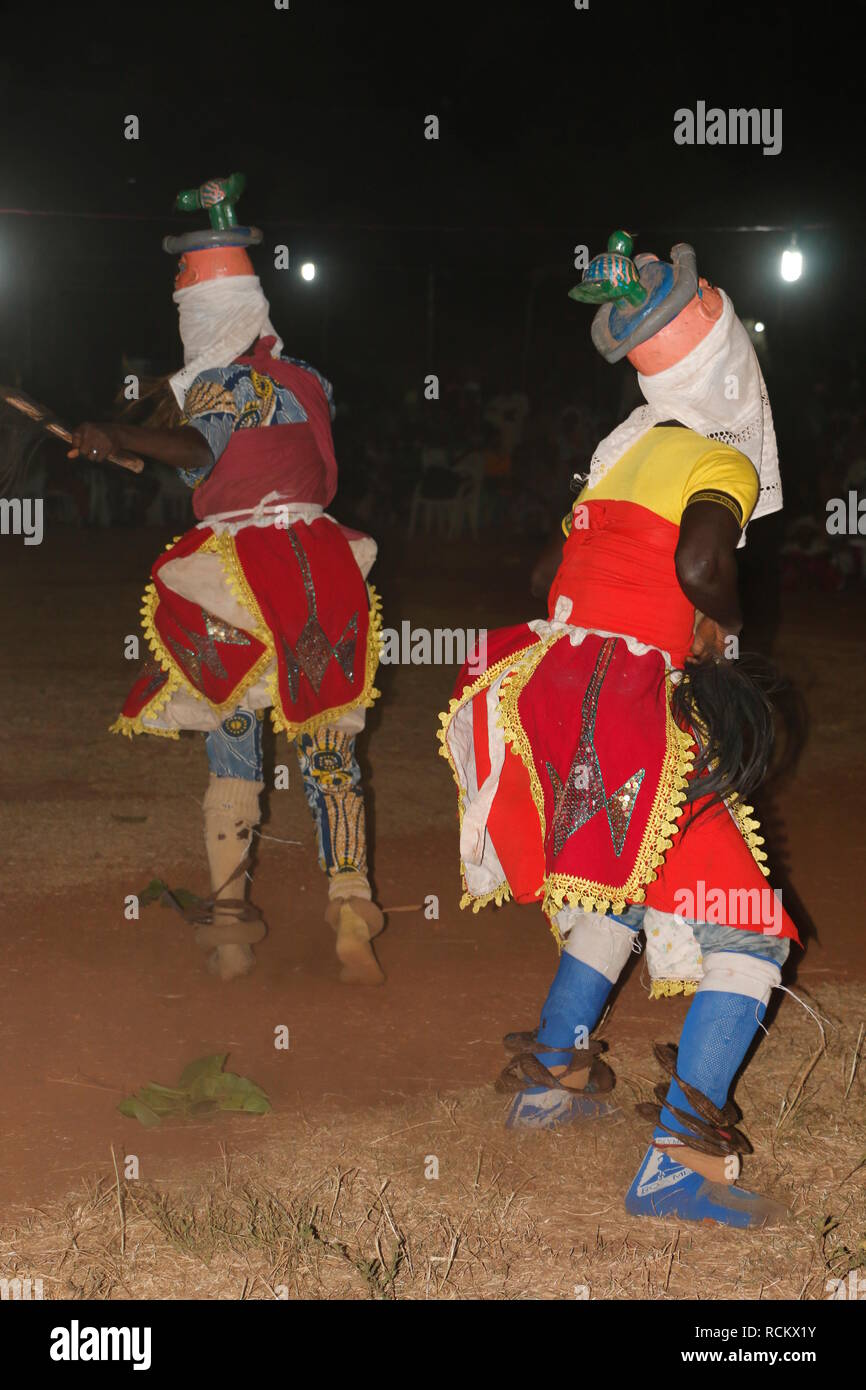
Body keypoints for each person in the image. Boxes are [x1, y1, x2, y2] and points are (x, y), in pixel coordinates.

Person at [439, 231, 799, 1227]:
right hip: (633, 705)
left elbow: (544, 579)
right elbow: (697, 567)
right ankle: (675, 1166)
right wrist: (721, 644)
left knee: (624, 880)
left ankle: (550, 1077)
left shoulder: (626, 446)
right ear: (726, 361)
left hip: (556, 688)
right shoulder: (715, 453)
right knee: (747, 930)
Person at [69, 174, 385, 985]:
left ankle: (233, 924)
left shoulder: (218, 384)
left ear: (199, 315)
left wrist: (119, 432)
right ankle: (351, 907)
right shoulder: (305, 378)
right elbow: (232, 458)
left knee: (233, 743)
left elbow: (208, 454)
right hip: (319, 566)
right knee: (327, 745)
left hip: (241, 578)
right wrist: (126, 444)